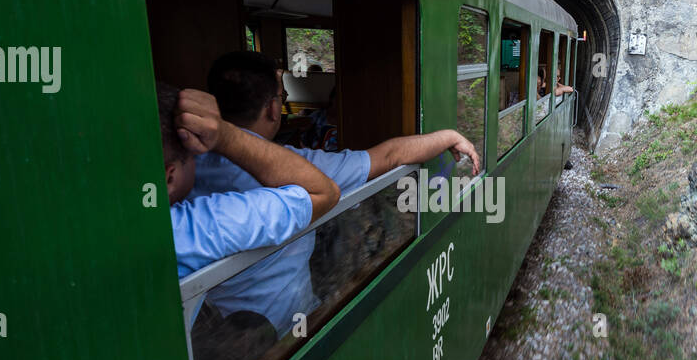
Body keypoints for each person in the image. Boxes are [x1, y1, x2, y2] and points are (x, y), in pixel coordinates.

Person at [192, 51, 481, 337]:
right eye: (281, 97)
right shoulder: (301, 168)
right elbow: (389, 157)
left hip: (215, 341)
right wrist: (449, 136)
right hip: (287, 331)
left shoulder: (184, 167)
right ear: (271, 108)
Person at [160, 85, 339, 279]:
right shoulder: (196, 229)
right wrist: (223, 135)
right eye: (194, 156)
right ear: (169, 178)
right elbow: (324, 193)